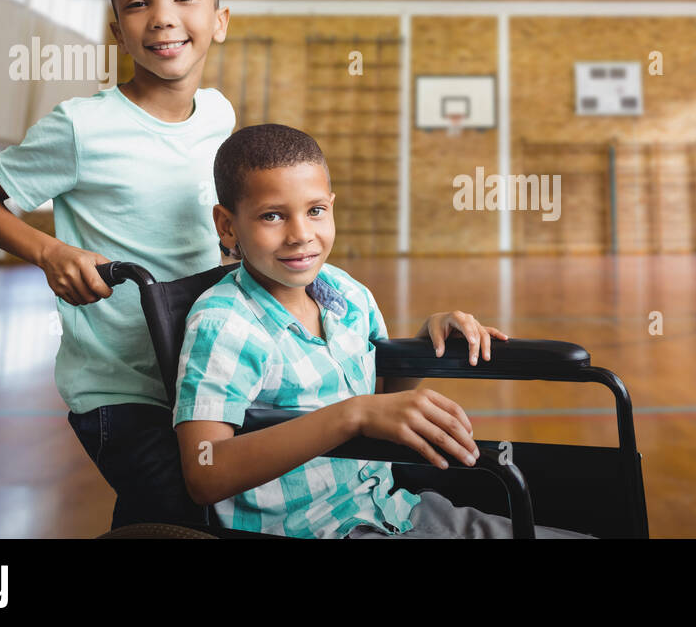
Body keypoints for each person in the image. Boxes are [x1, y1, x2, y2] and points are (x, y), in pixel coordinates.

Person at [173, 124, 593, 538]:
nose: (301, 234)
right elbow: (204, 473)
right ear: (227, 226)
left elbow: (384, 404)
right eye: (272, 216)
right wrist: (352, 415)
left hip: (394, 508)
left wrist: (424, 344)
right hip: (315, 529)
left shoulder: (347, 295)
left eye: (315, 210)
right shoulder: (223, 324)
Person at [0, 0, 234, 529]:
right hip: (118, 389)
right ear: (117, 30)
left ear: (219, 19)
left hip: (202, 373)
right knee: (182, 514)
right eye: (137, 3)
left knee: (176, 520)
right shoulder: (81, 128)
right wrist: (50, 251)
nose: (162, 18)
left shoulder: (218, 114)